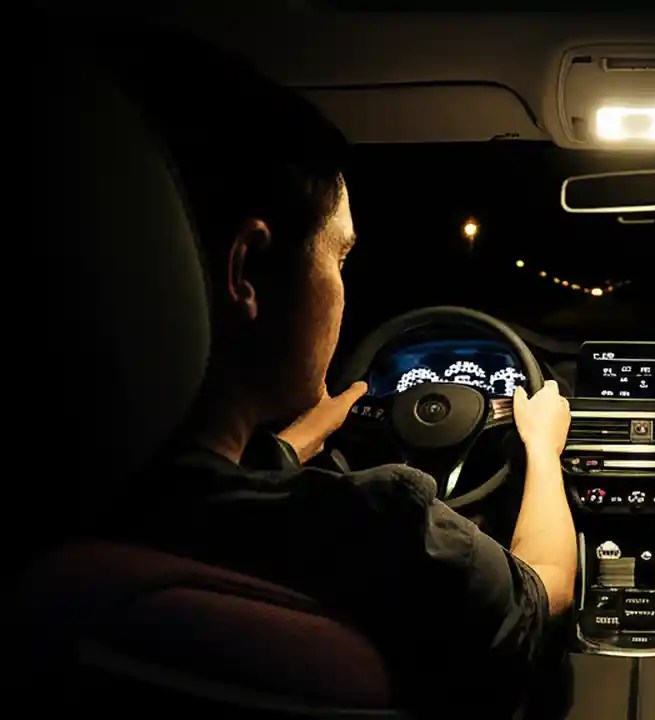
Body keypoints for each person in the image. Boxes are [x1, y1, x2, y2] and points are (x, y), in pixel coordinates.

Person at [97, 32, 577, 718]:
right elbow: (546, 588)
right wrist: (542, 449)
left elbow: (214, 489)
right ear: (246, 274)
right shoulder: (379, 530)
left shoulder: (85, 505)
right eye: (340, 258)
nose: (344, 289)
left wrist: (294, 443)